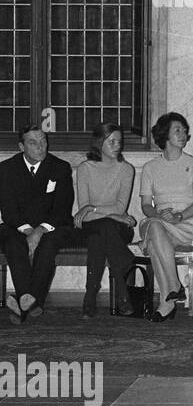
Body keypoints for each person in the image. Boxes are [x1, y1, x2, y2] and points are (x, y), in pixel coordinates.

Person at [0, 125, 78, 324]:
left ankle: (24, 302)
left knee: (47, 245)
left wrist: (40, 231)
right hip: (18, 226)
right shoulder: (6, 169)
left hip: (54, 225)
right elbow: (8, 211)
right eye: (33, 142)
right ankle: (31, 301)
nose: (40, 147)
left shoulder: (60, 167)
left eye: (43, 141)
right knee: (13, 244)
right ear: (21, 146)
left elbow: (62, 208)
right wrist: (28, 231)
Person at [138, 113, 193, 321]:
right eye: (177, 130)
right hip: (157, 220)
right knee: (156, 227)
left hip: (186, 224)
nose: (183, 134)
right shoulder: (150, 167)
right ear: (164, 134)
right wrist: (159, 214)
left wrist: (179, 215)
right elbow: (145, 205)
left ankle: (166, 302)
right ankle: (175, 286)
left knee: (153, 243)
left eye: (185, 131)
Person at [74, 121, 137, 318]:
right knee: (101, 231)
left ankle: (89, 298)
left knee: (102, 232)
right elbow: (82, 209)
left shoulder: (126, 169)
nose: (117, 145)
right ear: (99, 143)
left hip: (119, 228)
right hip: (92, 226)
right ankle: (122, 292)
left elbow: (119, 208)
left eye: (119, 141)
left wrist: (94, 209)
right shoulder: (85, 168)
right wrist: (110, 214)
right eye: (111, 141)